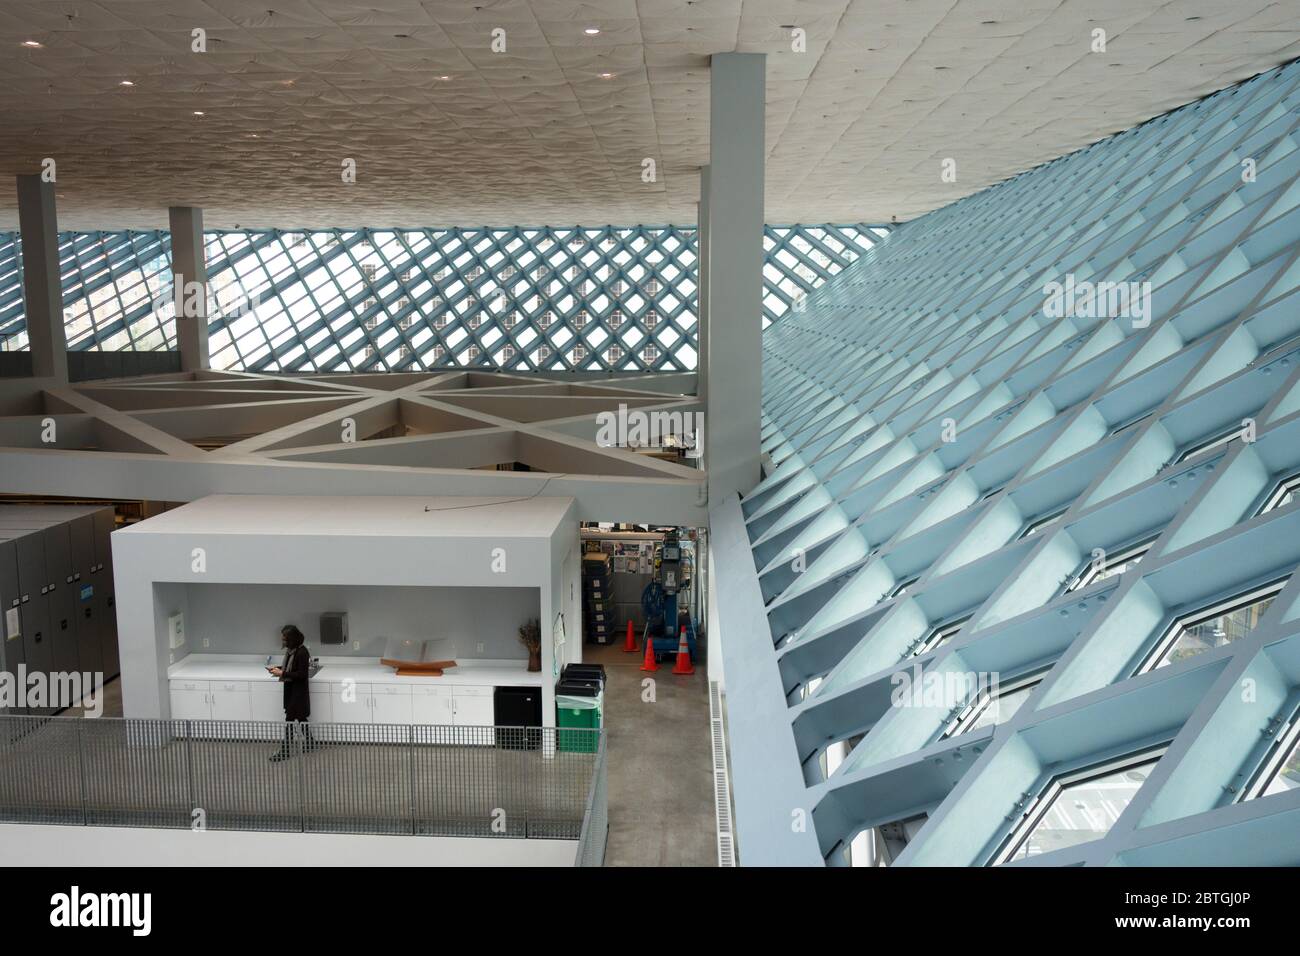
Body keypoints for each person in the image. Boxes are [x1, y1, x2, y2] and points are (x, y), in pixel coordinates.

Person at [267, 624, 313, 761]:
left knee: (289, 720)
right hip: (292, 690)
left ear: (292, 639)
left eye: (285, 639)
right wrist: (278, 669)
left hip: (298, 693)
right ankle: (310, 742)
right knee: (301, 718)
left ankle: (285, 751)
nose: (283, 641)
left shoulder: (302, 652)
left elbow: (302, 674)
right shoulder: (291, 652)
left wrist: (282, 672)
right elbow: (292, 668)